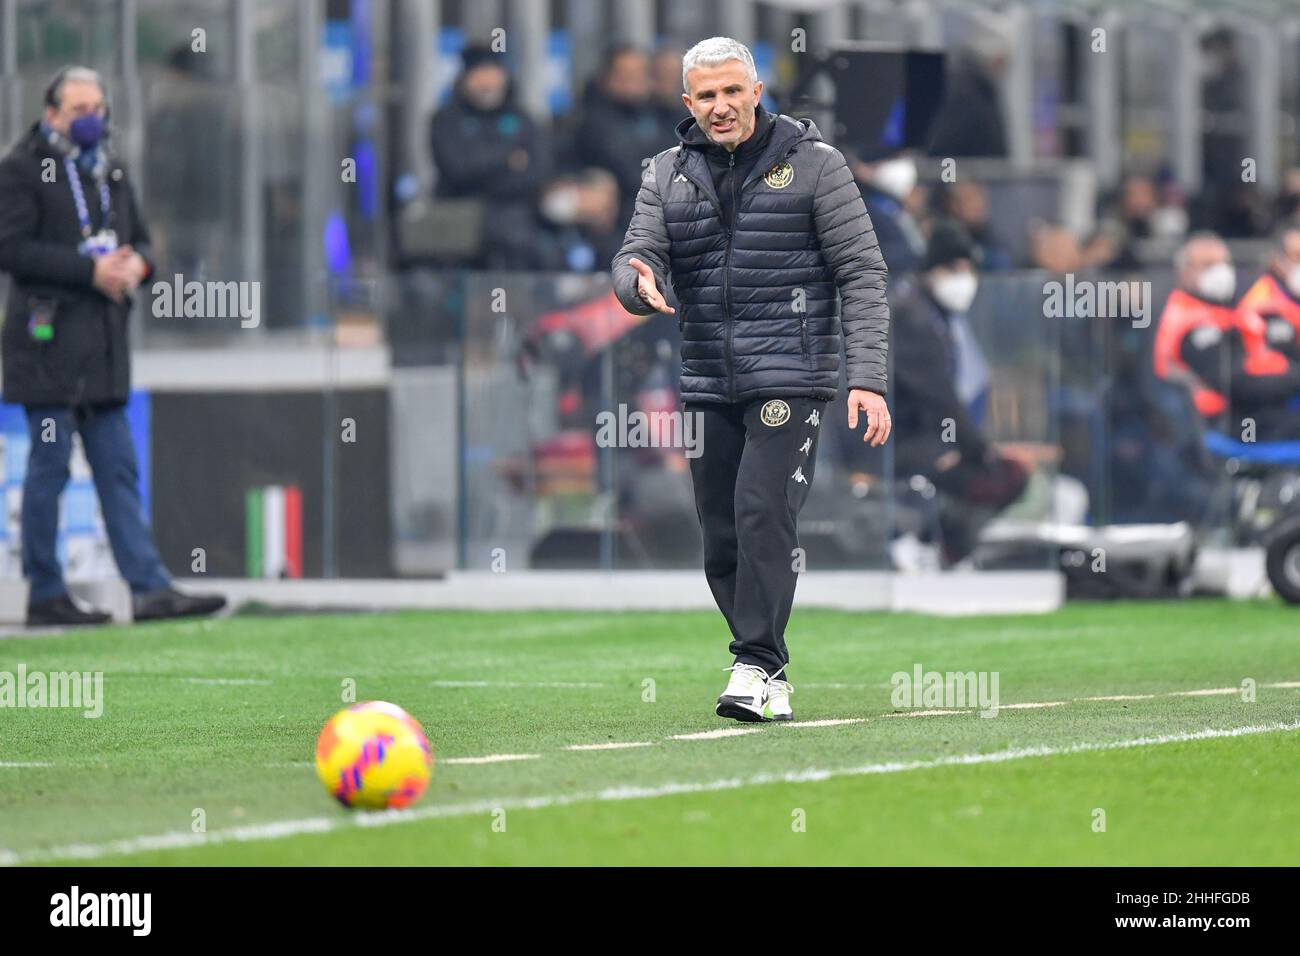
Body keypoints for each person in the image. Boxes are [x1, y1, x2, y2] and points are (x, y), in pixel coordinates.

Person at [612, 37, 891, 723]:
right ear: (688, 104)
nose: (721, 106)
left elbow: (862, 273)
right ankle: (771, 673)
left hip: (791, 377)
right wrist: (634, 284)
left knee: (764, 511)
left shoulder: (818, 167)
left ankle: (754, 664)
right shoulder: (664, 175)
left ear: (757, 92)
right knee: (721, 537)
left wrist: (869, 378)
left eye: (732, 91)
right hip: (708, 378)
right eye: (706, 96)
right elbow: (635, 254)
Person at [0, 66, 226, 626]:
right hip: (46, 347)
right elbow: (12, 250)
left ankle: (149, 589)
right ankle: (45, 593)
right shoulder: (21, 170)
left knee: (117, 470)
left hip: (103, 349)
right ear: (51, 113)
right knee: (49, 468)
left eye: (97, 110)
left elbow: (143, 240)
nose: (90, 121)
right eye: (78, 111)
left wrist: (137, 264)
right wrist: (88, 271)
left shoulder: (111, 170)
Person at [890, 222, 1028, 566]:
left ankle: (942, 547)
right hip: (898, 443)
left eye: (969, 270)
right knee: (1002, 476)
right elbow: (937, 396)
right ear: (930, 271)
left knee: (1007, 473)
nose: (964, 279)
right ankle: (939, 547)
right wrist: (976, 451)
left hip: (931, 440)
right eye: (954, 269)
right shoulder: (911, 317)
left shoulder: (943, 318)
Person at [1153, 233, 1300, 442]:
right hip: (1230, 426)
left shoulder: (1224, 310)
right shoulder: (1190, 322)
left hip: (1255, 412)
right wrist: (1292, 378)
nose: (1220, 271)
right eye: (1208, 264)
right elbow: (1236, 383)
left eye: (1224, 263)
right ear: (1185, 272)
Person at [429, 46, 551, 269]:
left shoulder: (523, 119)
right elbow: (457, 170)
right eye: (479, 75)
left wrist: (485, 169)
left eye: (493, 74)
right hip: (461, 218)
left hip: (517, 216)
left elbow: (538, 171)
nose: (487, 83)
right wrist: (507, 160)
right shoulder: (446, 120)